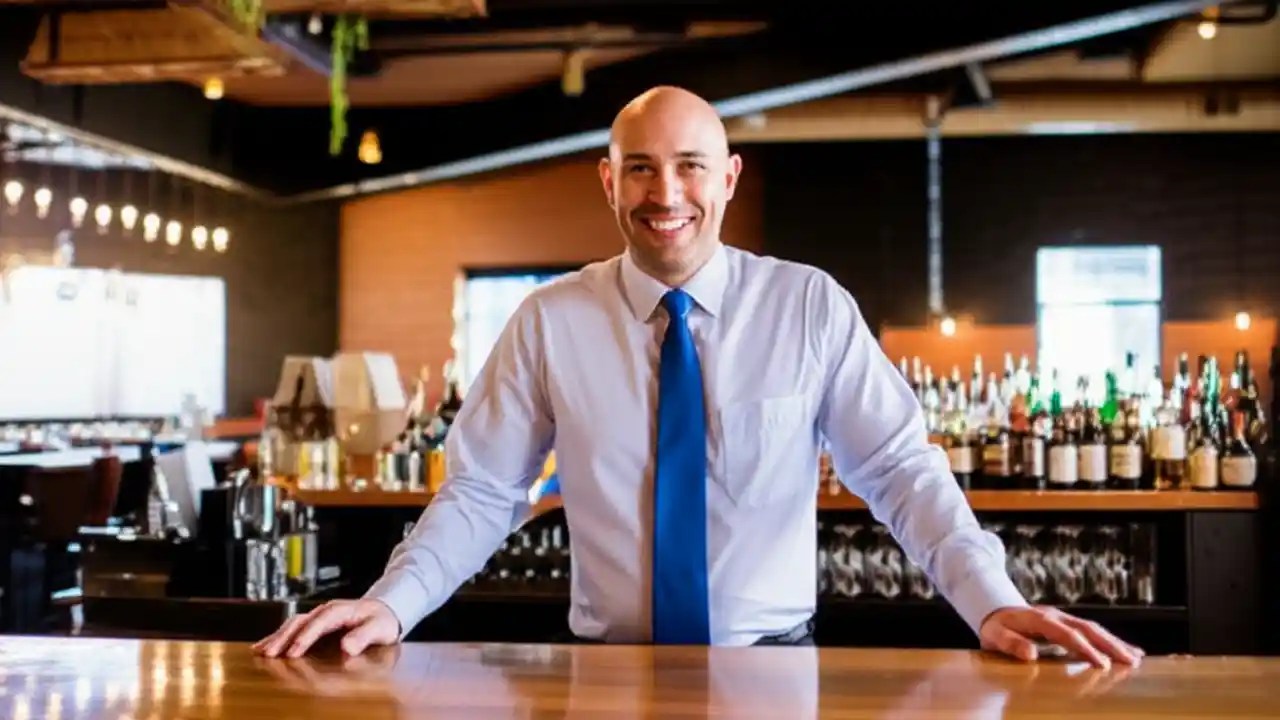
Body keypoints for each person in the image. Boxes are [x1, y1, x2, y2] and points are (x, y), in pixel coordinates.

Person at [254, 86, 1143, 668]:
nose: (663, 191)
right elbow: (485, 491)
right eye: (639, 167)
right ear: (608, 183)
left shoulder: (809, 306)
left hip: (777, 671)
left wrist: (991, 603)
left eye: (688, 166)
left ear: (728, 177)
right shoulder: (548, 321)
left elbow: (903, 472)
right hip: (603, 676)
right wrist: (389, 606)